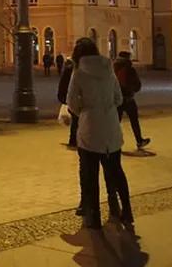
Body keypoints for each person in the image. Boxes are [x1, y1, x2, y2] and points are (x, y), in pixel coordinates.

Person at [66, 37, 132, 229]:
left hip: (89, 129)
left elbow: (71, 102)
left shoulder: (79, 73)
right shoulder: (108, 70)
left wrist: (85, 111)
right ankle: (127, 210)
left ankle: (94, 217)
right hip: (111, 128)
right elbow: (119, 98)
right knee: (116, 171)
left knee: (90, 174)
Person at [112, 50, 150, 150]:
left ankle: (113, 142)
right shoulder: (130, 69)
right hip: (128, 99)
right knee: (134, 121)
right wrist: (133, 89)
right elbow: (137, 85)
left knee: (116, 122)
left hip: (116, 99)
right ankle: (139, 140)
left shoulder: (113, 69)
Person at [57, 50, 77, 147]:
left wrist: (62, 97)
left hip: (71, 97)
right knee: (77, 120)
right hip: (75, 97)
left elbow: (62, 84)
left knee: (75, 120)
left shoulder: (68, 69)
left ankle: (73, 139)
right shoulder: (75, 70)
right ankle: (74, 139)